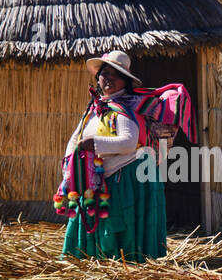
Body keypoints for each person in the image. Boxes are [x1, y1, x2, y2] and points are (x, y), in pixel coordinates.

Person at [59, 50, 169, 262]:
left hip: (122, 177)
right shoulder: (94, 108)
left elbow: (129, 141)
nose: (108, 79)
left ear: (125, 82)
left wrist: (95, 144)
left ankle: (123, 264)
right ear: (97, 78)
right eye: (104, 73)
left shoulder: (124, 108)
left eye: (115, 75)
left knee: (118, 223)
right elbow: (76, 138)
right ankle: (91, 259)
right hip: (93, 178)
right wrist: (69, 163)